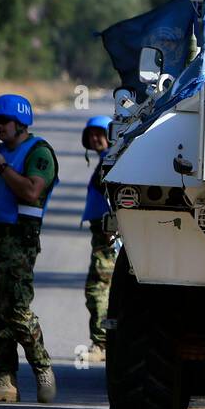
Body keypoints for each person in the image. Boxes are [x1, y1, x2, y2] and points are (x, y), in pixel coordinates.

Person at [0, 94, 60, 403]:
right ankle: (4, 378)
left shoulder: (38, 152)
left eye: (3, 122)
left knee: (17, 308)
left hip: (19, 239)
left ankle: (42, 368)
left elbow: (32, 192)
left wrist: (1, 166)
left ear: (20, 123)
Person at [79, 115, 117, 363]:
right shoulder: (107, 160)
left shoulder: (111, 162)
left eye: (100, 133)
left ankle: (102, 343)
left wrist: (112, 227)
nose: (96, 138)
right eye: (91, 134)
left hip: (108, 237)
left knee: (98, 290)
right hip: (102, 234)